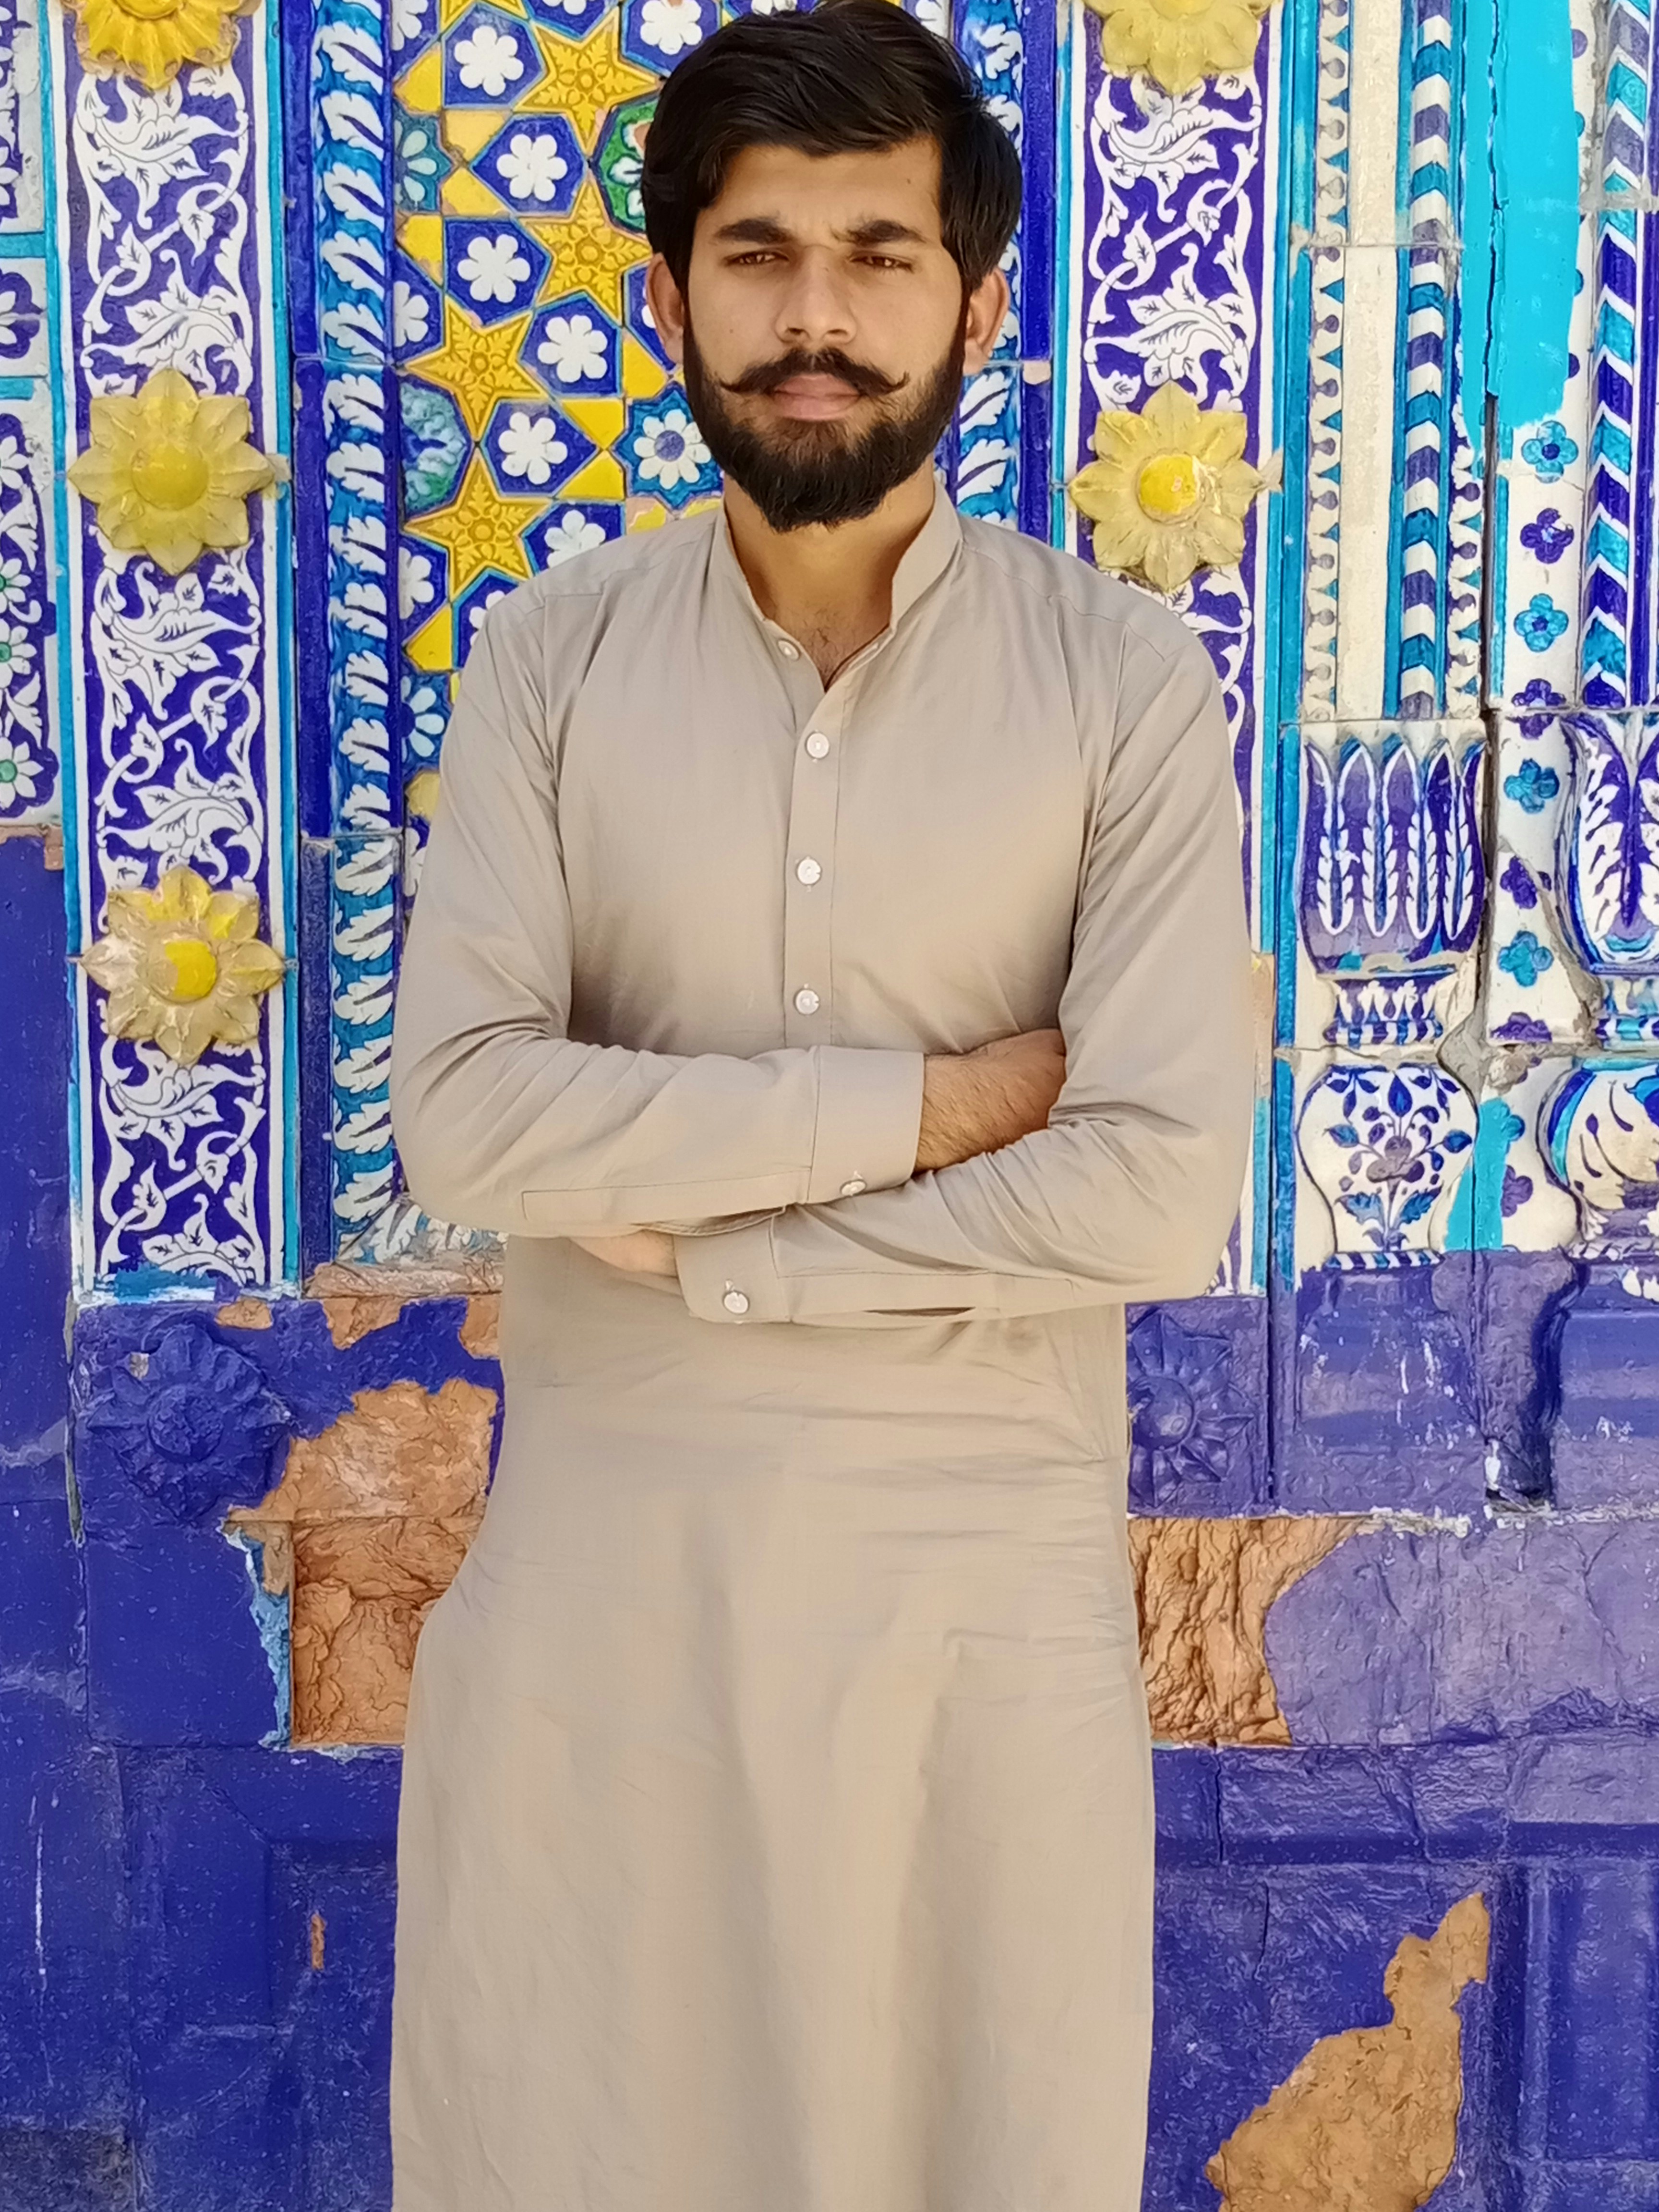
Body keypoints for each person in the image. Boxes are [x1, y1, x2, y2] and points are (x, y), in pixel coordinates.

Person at [385, 2, 1254, 2205]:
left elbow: (1154, 1194)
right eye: (760, 255)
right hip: (607, 1625)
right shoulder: (550, 665)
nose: (816, 320)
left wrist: (725, 1247)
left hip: (977, 1643)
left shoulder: (1122, 689)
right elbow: (467, 1121)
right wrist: (941, 1105)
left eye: (878, 256)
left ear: (978, 305)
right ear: (670, 297)